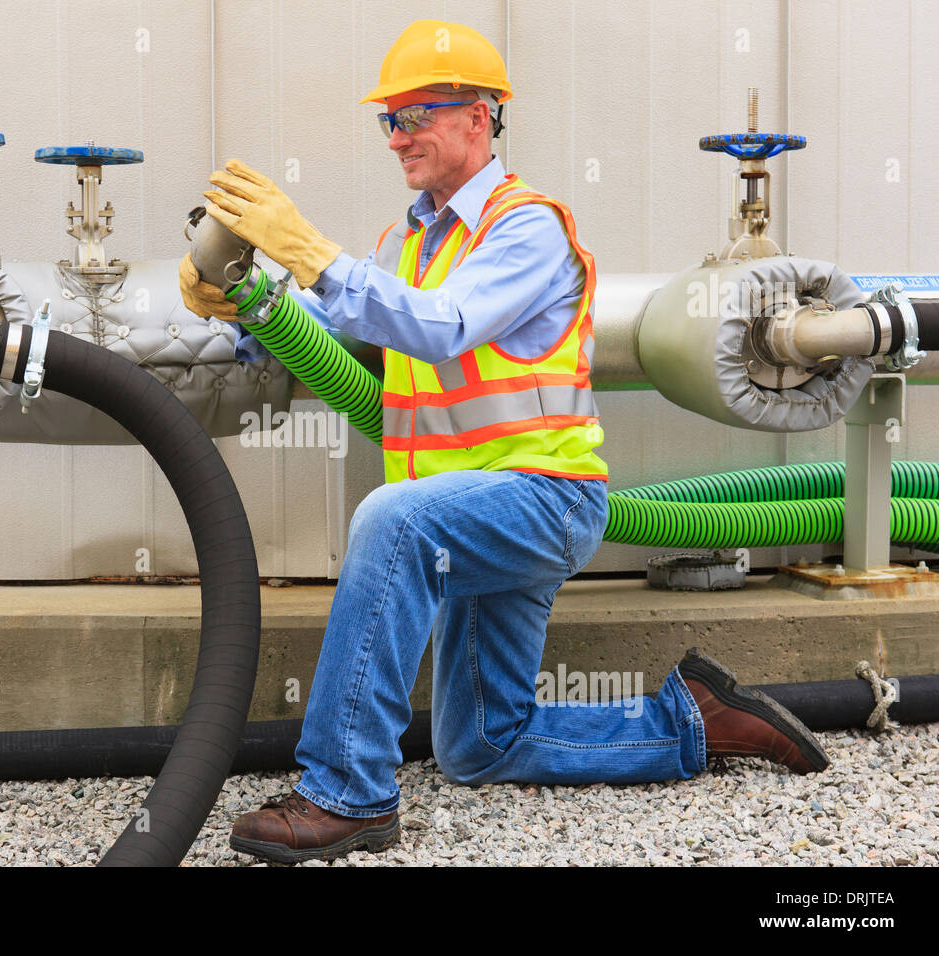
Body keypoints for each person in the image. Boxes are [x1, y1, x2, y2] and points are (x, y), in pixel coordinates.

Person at [178, 19, 829, 865]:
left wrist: (306, 249)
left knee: (392, 520)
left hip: (542, 499)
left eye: (416, 115)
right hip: (469, 515)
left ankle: (345, 793)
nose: (396, 136)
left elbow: (444, 325)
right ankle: (691, 721)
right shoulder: (403, 243)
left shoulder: (526, 228)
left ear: (480, 117)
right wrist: (247, 299)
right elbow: (352, 338)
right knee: (482, 743)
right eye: (389, 120)